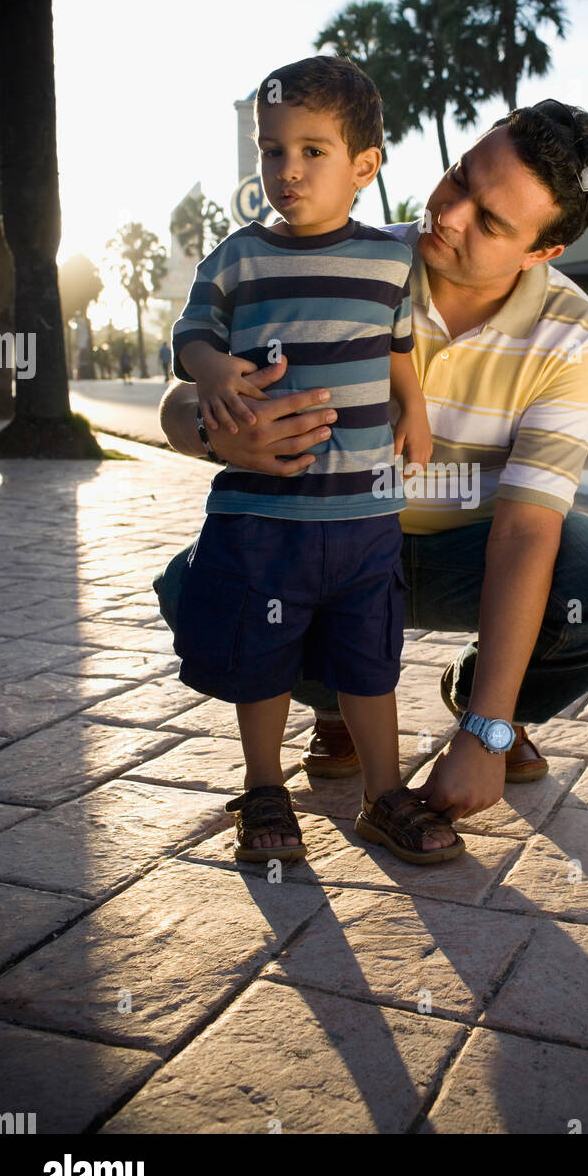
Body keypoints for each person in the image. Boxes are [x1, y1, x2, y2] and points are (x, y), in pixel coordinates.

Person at [157, 95, 588, 835]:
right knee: (194, 588)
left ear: (541, 253)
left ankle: (481, 700)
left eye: (491, 222)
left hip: (468, 545)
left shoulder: (574, 335)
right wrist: (219, 436)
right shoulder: (337, 250)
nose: (451, 214)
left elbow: (528, 529)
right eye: (460, 177)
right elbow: (179, 399)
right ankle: (335, 704)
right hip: (324, 535)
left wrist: (488, 729)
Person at [169, 54, 464, 867]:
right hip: (261, 514)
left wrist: (415, 407)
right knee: (260, 658)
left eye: (311, 151)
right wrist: (210, 368)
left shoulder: (389, 260)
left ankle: (384, 794)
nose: (285, 171)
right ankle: (264, 784)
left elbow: (398, 347)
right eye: (271, 151)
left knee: (371, 662)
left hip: (366, 515)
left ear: (364, 166)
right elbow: (191, 335)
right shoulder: (238, 257)